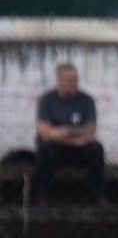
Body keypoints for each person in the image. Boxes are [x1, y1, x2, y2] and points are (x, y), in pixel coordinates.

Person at [34, 63, 104, 205]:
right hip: (57, 148)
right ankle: (44, 197)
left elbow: (90, 130)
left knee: (96, 148)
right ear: (59, 81)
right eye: (70, 80)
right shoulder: (47, 100)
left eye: (76, 80)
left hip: (79, 148)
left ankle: (97, 196)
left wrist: (63, 132)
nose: (74, 84)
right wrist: (73, 137)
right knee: (43, 145)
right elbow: (44, 130)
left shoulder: (86, 100)